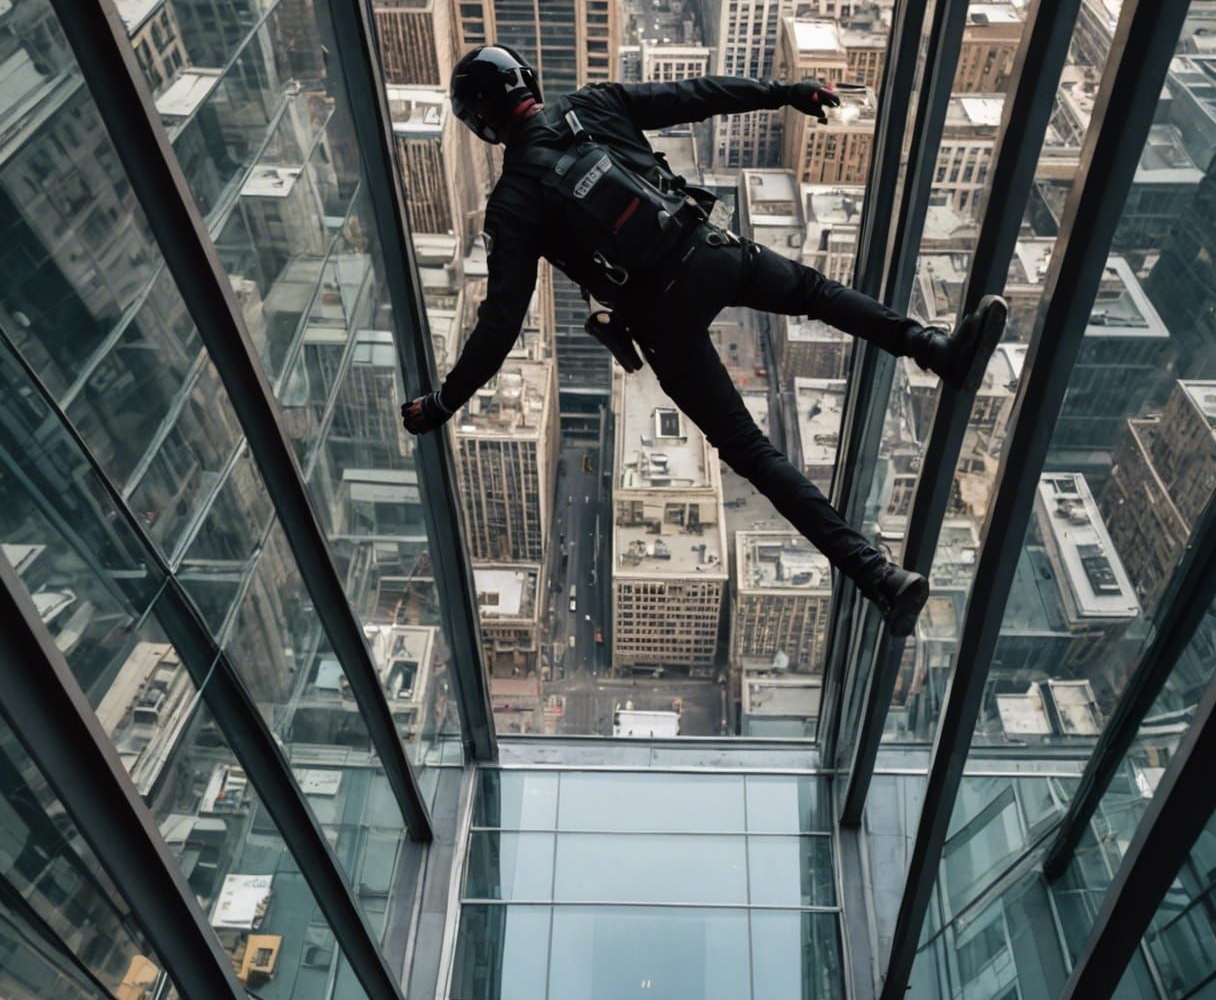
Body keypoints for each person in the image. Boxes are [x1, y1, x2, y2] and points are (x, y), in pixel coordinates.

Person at [402, 46, 1007, 638]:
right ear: (526, 81)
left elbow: (501, 324)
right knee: (817, 294)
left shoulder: (511, 204)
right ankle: (936, 349)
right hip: (709, 254)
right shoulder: (594, 105)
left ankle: (878, 575)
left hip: (661, 319)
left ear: (481, 123)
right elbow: (699, 96)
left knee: (751, 451)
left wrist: (443, 403)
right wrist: (786, 92)